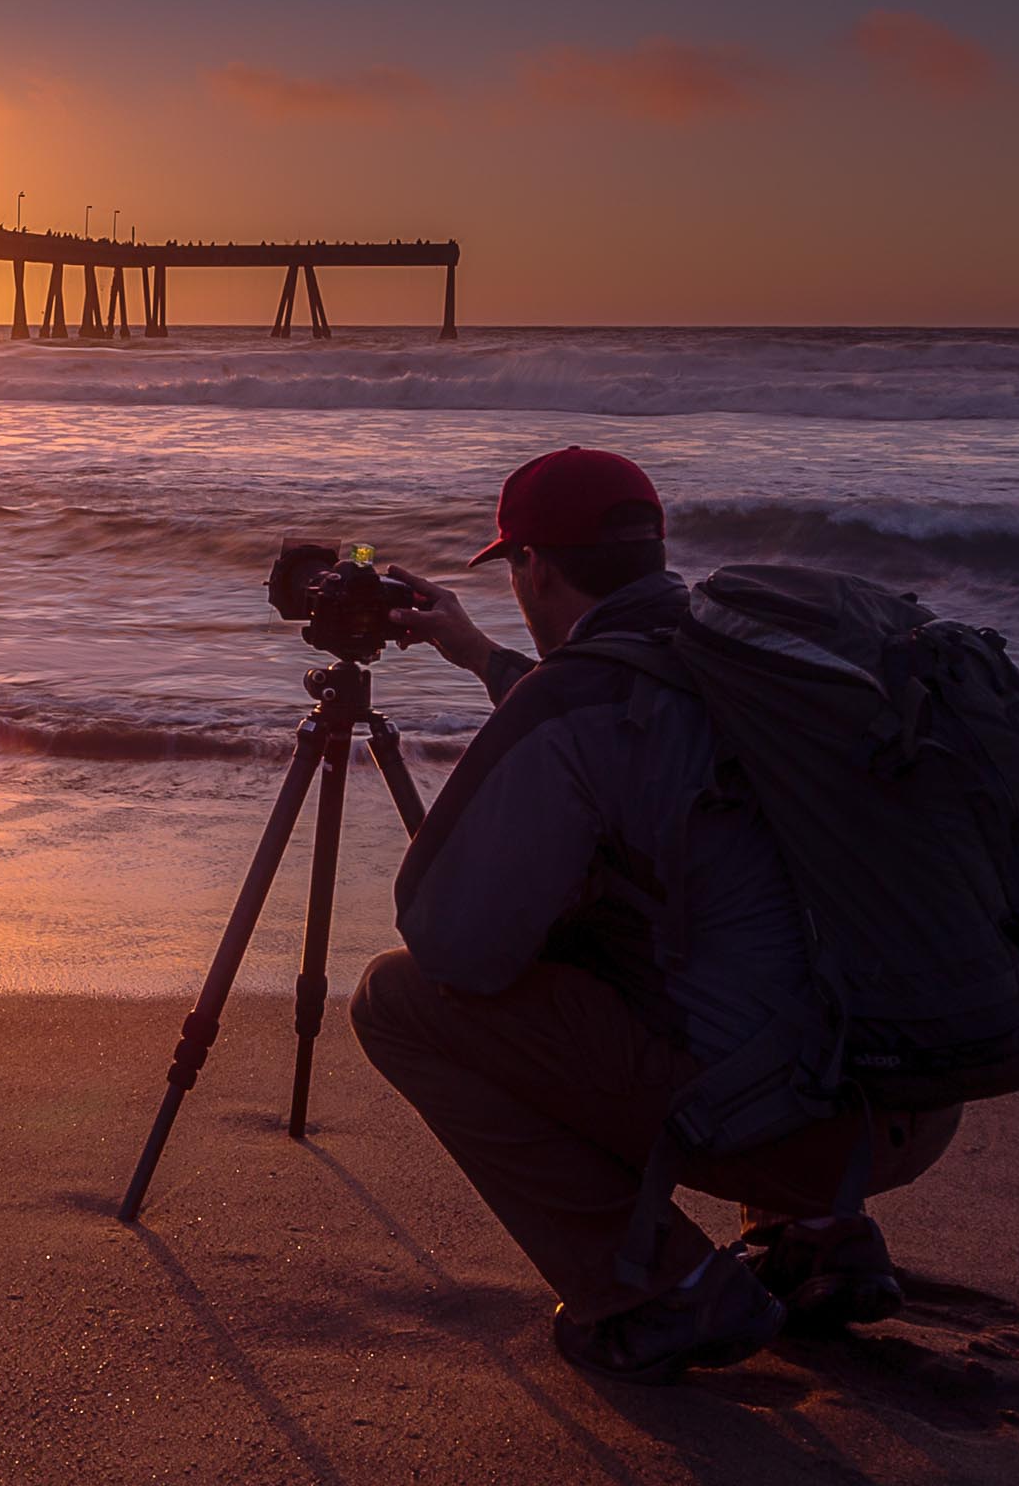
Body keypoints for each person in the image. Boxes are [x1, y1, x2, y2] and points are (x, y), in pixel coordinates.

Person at [359, 447, 962, 1385]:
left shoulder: (575, 704)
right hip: (916, 1097)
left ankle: (654, 1292)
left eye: (517, 566)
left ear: (537, 569)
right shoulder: (751, 661)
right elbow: (624, 724)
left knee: (398, 1000)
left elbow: (457, 951)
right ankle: (822, 1247)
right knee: (728, 921)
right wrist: (478, 654)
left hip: (777, 1132)